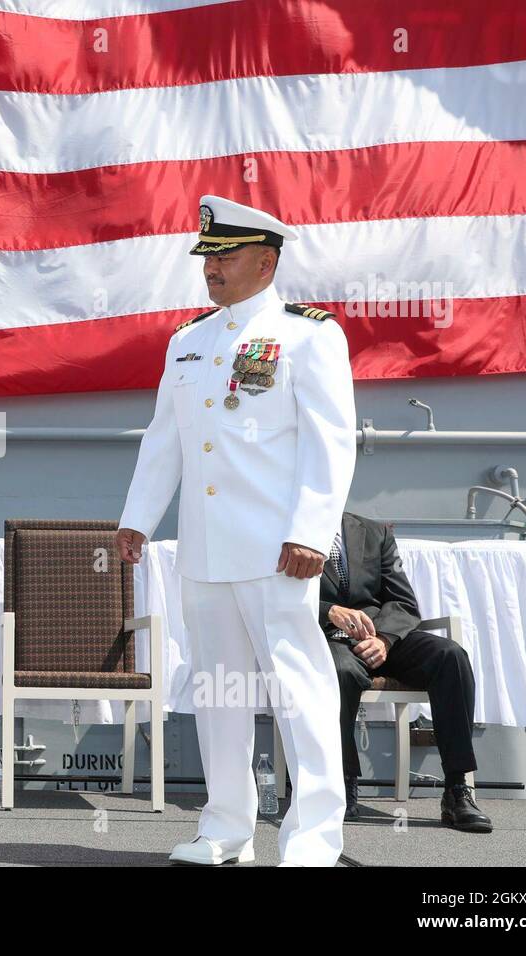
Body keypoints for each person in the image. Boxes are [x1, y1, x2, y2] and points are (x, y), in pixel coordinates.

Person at [116, 195, 357, 866]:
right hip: (204, 548)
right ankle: (225, 828)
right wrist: (138, 518)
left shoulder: (310, 335)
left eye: (224, 256)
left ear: (265, 260)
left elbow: (329, 443)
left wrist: (312, 529)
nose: (212, 268)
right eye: (208, 257)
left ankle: (312, 837)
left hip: (277, 550)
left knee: (297, 693)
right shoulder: (188, 341)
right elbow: (166, 440)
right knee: (217, 692)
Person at [322, 513, 491, 832]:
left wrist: (384, 639)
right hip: (324, 636)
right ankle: (342, 782)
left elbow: (402, 601)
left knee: (450, 656)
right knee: (341, 670)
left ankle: (456, 790)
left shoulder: (375, 532)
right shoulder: (287, 529)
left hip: (381, 635)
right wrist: (326, 611)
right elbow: (273, 597)